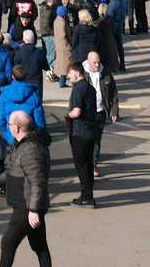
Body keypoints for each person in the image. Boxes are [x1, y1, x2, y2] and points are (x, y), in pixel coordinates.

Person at [0, 110, 51, 267]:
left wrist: (33, 210)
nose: (8, 127)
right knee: (39, 245)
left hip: (26, 206)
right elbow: (13, 170)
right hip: (25, 204)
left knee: (8, 242)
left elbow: (37, 181)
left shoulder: (30, 149)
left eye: (9, 124)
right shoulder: (21, 145)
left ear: (18, 127)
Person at [65, 63, 99, 207]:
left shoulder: (78, 89)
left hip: (80, 132)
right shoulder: (90, 88)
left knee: (81, 166)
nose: (68, 76)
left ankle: (86, 197)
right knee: (88, 165)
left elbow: (77, 112)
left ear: (76, 73)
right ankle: (88, 194)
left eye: (69, 73)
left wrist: (68, 115)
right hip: (91, 131)